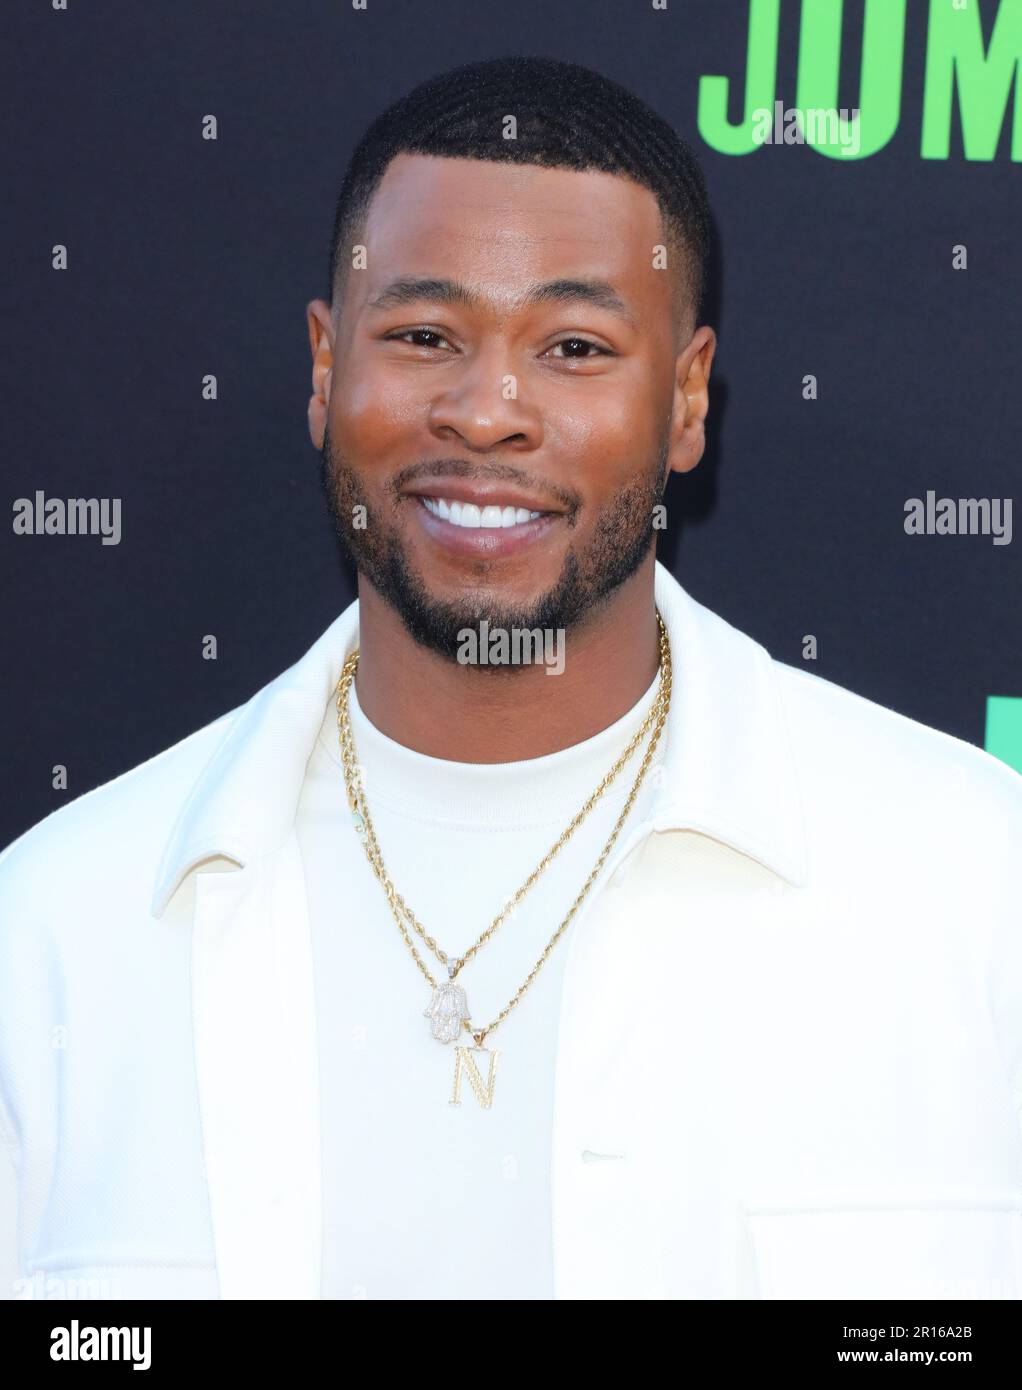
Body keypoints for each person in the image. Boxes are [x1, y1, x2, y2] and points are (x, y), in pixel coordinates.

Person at [1, 55, 1020, 1303]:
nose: (486, 413)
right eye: (424, 334)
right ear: (326, 369)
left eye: (575, 345)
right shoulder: (57, 928)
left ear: (687, 399)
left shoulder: (975, 884)